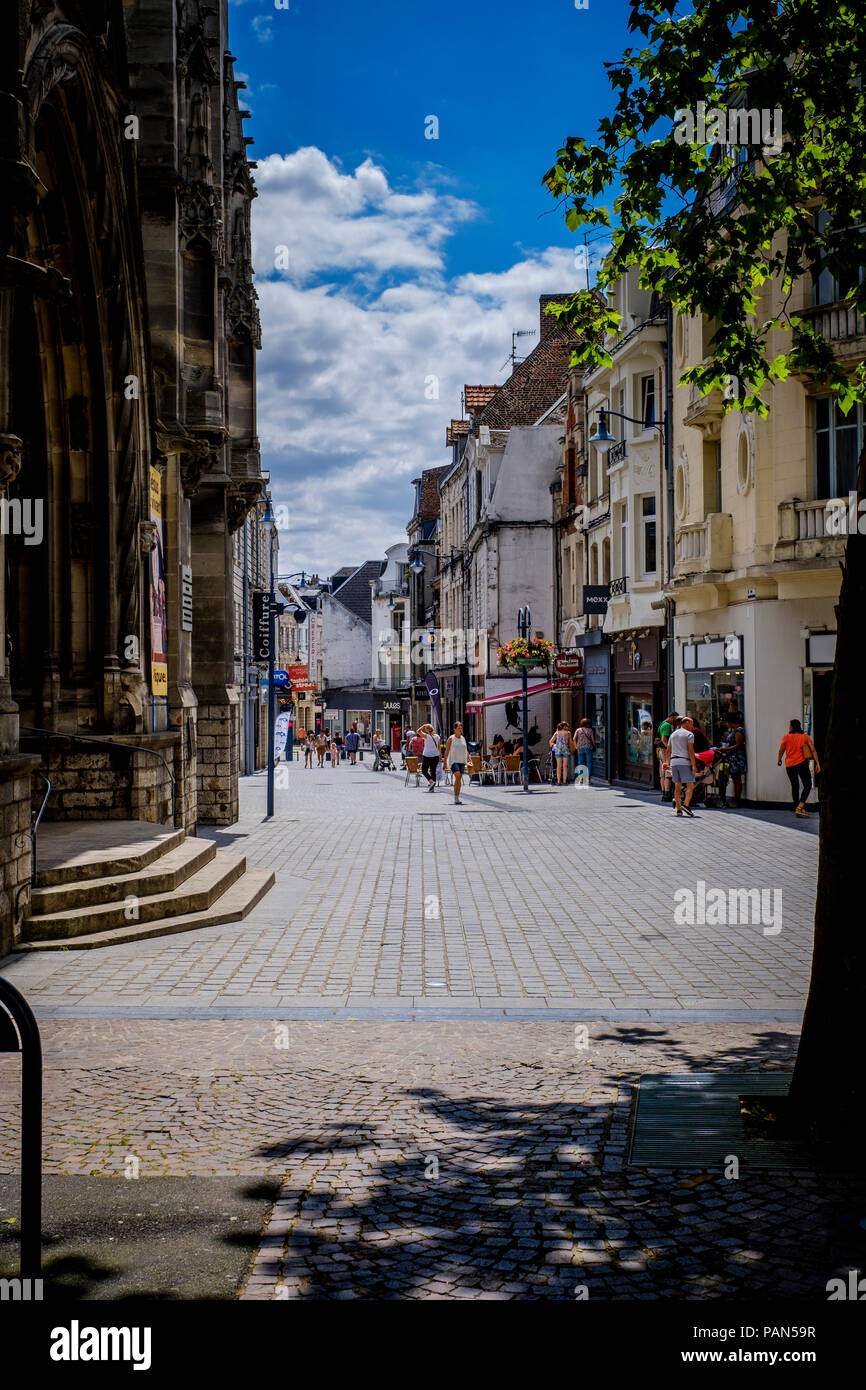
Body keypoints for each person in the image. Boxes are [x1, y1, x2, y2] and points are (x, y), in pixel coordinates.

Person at [777, 719, 820, 816]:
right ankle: (800, 807)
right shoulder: (805, 737)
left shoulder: (786, 737)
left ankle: (798, 808)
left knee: (795, 786)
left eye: (790, 725)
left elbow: (781, 750)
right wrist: (817, 763)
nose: (789, 727)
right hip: (802, 764)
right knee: (807, 785)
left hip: (790, 765)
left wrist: (779, 759)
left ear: (792, 727)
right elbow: (813, 750)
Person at [665, 714, 699, 816]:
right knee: (690, 785)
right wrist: (694, 765)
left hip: (674, 762)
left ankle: (678, 810)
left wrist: (667, 763)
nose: (692, 727)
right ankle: (686, 804)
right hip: (685, 761)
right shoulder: (689, 735)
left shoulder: (673, 734)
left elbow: (668, 750)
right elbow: (691, 750)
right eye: (691, 724)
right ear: (687, 723)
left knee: (677, 786)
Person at [444, 721, 469, 805]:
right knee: (458, 775)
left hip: (462, 761)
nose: (460, 730)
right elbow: (446, 751)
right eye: (458, 728)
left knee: (458, 779)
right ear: (454, 729)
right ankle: (456, 797)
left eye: (461, 728)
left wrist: (469, 759)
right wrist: (444, 763)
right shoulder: (451, 738)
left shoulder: (463, 738)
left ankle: (457, 797)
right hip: (453, 761)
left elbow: (466, 750)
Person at [549, 721, 573, 785]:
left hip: (558, 750)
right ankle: (564, 781)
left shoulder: (556, 733)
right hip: (565, 750)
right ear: (564, 727)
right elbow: (570, 742)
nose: (568, 728)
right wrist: (572, 748)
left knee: (558, 766)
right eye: (567, 726)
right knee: (565, 766)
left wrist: (554, 745)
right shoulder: (568, 733)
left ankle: (558, 781)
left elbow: (550, 741)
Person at [573, 718, 596, 784]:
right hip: (588, 748)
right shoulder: (590, 730)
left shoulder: (578, 730)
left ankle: (581, 779)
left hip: (580, 748)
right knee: (589, 763)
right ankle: (588, 779)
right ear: (588, 724)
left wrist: (576, 747)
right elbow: (593, 740)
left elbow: (574, 739)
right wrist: (595, 746)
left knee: (580, 763)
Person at [418, 724, 440, 791]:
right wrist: (440, 756)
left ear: (427, 730)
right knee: (433, 771)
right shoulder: (437, 737)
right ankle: (432, 787)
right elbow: (439, 748)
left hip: (427, 755)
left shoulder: (426, 736)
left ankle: (431, 782)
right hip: (435, 756)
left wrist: (423, 726)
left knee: (424, 770)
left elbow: (418, 731)